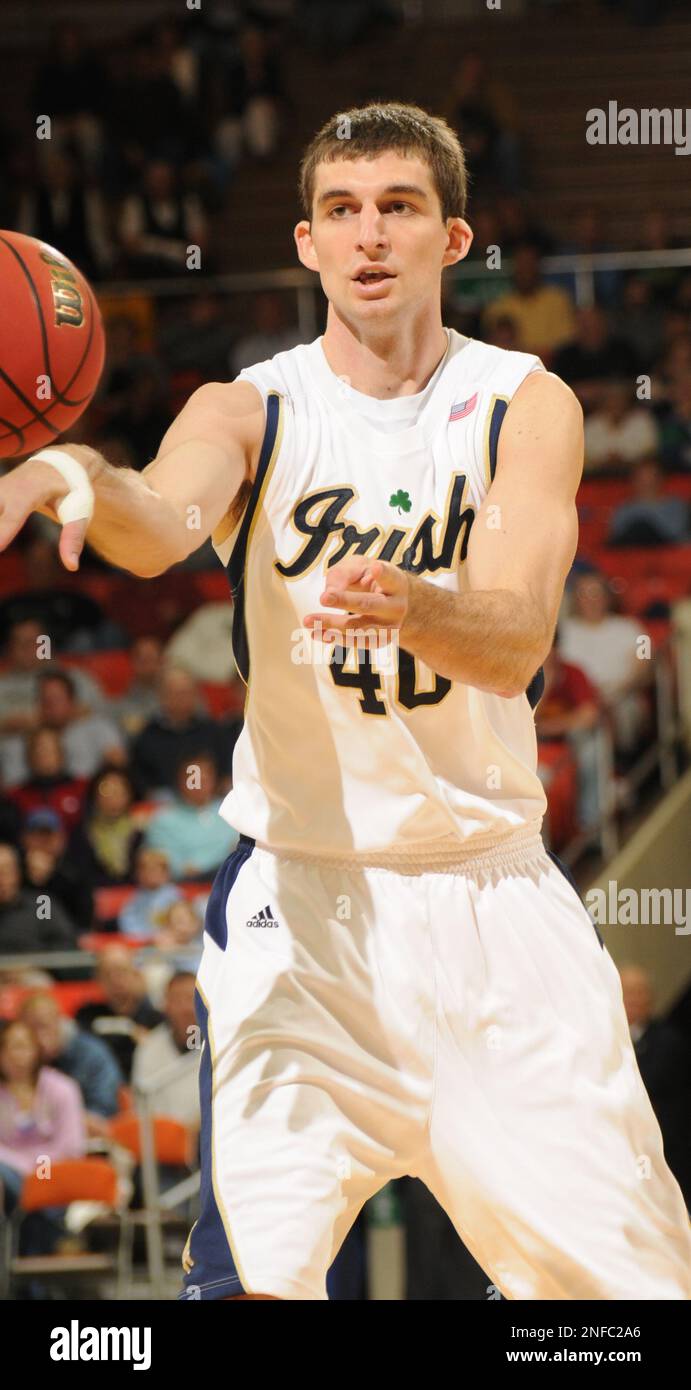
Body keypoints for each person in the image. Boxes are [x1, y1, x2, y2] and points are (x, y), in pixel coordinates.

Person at [3, 100, 691, 1301]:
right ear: (308, 243)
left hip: (493, 906)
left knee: (623, 1304)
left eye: (399, 208)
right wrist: (71, 468)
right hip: (300, 910)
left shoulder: (525, 405)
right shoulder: (251, 408)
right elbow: (159, 522)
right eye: (340, 210)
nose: (368, 235)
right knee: (252, 1287)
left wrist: (411, 606)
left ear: (453, 237)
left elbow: (517, 634)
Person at [0, 1019, 86, 1257]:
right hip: (9, 1176)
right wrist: (21, 1168)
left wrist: (32, 1167)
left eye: (21, 1046)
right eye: (6, 1048)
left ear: (37, 1050)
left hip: (52, 1170)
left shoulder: (62, 1088)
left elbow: (71, 1146)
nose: (15, 1055)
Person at [620, 965, 691, 1211]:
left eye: (639, 993)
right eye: (627, 992)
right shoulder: (607, 1039)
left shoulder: (669, 1042)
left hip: (661, 1150)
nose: (633, 1000)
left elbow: (647, 1085)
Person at [0, 670, 126, 788]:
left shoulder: (99, 728)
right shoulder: (22, 739)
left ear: (72, 701)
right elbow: (12, 788)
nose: (51, 706)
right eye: (46, 700)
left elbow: (118, 766)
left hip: (89, 801)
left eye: (57, 699)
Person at [18, 991, 122, 1135]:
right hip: (28, 1139)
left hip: (85, 1137)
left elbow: (104, 1111)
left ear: (59, 1022)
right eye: (30, 1030)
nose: (38, 1036)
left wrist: (64, 1120)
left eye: (43, 1026)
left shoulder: (91, 1054)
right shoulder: (15, 1060)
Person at [143, 753, 238, 879]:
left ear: (214, 780)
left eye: (204, 778)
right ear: (180, 780)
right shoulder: (162, 819)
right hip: (182, 887)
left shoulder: (231, 810)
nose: (198, 784)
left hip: (229, 881)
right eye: (192, 778)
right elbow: (169, 865)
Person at [75, 945, 163, 1081]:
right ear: (98, 980)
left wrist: (152, 1046)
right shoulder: (86, 1016)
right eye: (107, 974)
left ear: (136, 975)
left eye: (121, 972)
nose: (115, 980)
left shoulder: (157, 1020)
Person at [118, 846, 182, 939]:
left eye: (156, 871)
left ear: (166, 873)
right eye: (146, 871)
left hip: (171, 941)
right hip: (142, 943)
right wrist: (143, 937)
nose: (151, 876)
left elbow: (182, 919)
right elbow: (127, 920)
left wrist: (172, 934)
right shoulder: (136, 898)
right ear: (139, 874)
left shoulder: (175, 895)